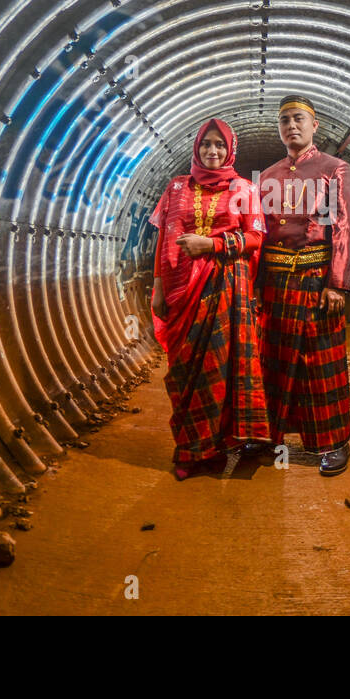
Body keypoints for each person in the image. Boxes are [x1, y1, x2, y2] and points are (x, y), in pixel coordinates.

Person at [149, 118, 272, 480]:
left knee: (219, 368)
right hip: (179, 288)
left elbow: (256, 238)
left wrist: (214, 245)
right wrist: (158, 288)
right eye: (207, 145)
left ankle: (215, 448)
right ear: (196, 148)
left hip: (225, 289)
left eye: (220, 145)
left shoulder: (243, 189)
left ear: (230, 150)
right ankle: (190, 448)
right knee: (184, 369)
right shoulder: (175, 188)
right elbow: (162, 242)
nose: (213, 151)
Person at [255, 94, 350, 476]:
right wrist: (253, 287)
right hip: (276, 281)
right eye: (285, 121)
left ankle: (333, 443)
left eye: (299, 119)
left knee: (320, 361)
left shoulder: (335, 169)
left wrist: (337, 283)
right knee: (274, 362)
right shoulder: (267, 177)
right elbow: (258, 234)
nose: (291, 126)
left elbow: (344, 226)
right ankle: (268, 435)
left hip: (316, 282)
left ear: (315, 126)